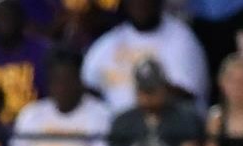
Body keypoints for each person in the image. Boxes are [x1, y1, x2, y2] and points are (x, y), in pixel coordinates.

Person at [79, 0, 207, 113]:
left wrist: (152, 91)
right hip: (114, 129)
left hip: (164, 128)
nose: (140, 4)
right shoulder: (108, 43)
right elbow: (86, 88)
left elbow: (188, 98)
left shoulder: (182, 39)